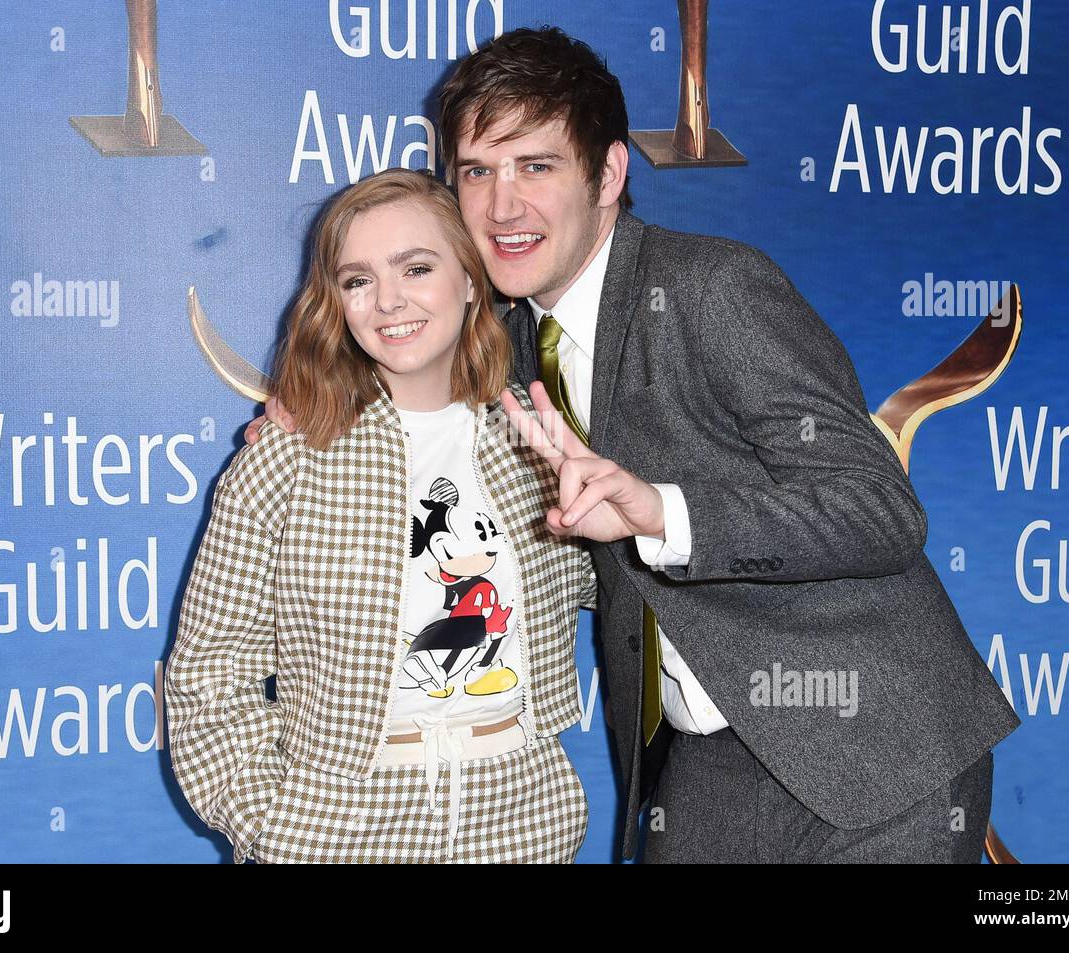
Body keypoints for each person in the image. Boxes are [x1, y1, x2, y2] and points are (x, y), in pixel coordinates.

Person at [250, 27, 1020, 863]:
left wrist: (664, 513)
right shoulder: (496, 339)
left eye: (535, 167)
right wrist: (321, 402)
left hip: (870, 745)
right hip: (704, 759)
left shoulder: (711, 289)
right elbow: (405, 362)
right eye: (477, 171)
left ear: (609, 174)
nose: (502, 207)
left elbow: (880, 510)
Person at [165, 167, 609, 864]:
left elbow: (618, 584)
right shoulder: (286, 457)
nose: (389, 301)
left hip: (520, 819)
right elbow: (208, 675)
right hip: (339, 827)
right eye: (358, 279)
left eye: (417, 267)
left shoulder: (535, 437)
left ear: (469, 280)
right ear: (335, 302)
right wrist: (273, 825)